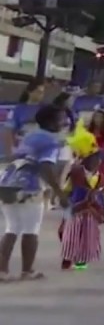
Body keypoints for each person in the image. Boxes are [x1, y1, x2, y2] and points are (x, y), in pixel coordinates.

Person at [0, 104, 70, 281]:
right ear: (51, 121)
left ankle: (2, 270)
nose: (65, 121)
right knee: (31, 229)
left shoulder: (31, 136)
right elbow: (45, 167)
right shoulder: (51, 142)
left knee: (12, 228)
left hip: (8, 182)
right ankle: (27, 270)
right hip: (30, 187)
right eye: (61, 118)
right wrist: (59, 192)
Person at [58, 123, 104, 271]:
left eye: (99, 158)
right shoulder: (75, 172)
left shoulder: (101, 176)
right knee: (70, 234)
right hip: (76, 209)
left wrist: (102, 210)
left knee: (88, 235)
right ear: (84, 159)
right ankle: (68, 256)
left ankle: (81, 259)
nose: (97, 161)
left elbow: (101, 194)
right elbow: (66, 189)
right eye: (94, 158)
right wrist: (64, 201)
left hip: (92, 211)